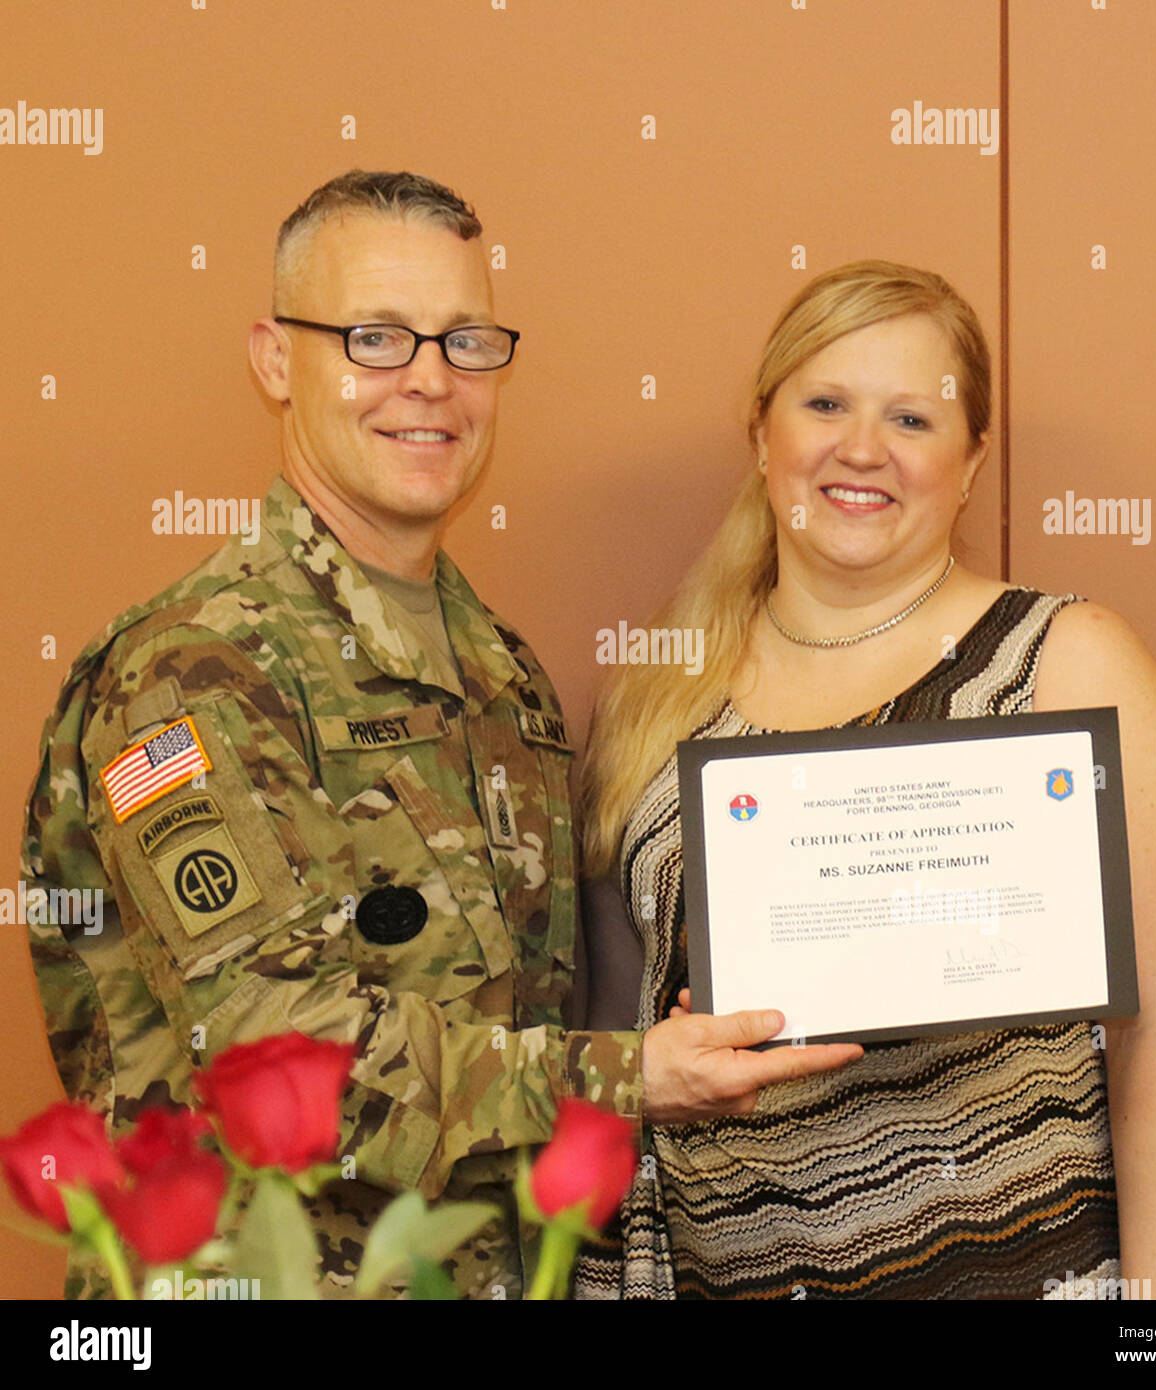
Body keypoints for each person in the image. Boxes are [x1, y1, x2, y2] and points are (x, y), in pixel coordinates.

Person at [19, 170, 864, 1300]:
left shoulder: (500, 675)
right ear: (276, 360)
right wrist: (626, 1076)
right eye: (375, 337)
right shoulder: (189, 671)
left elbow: (532, 1011)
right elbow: (273, 1047)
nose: (429, 380)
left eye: (466, 340)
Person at [573, 260, 1156, 1300]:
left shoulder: (1066, 662)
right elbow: (608, 1046)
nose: (861, 448)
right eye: (825, 403)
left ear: (970, 461)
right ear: (760, 434)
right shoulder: (651, 700)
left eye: (912, 418)